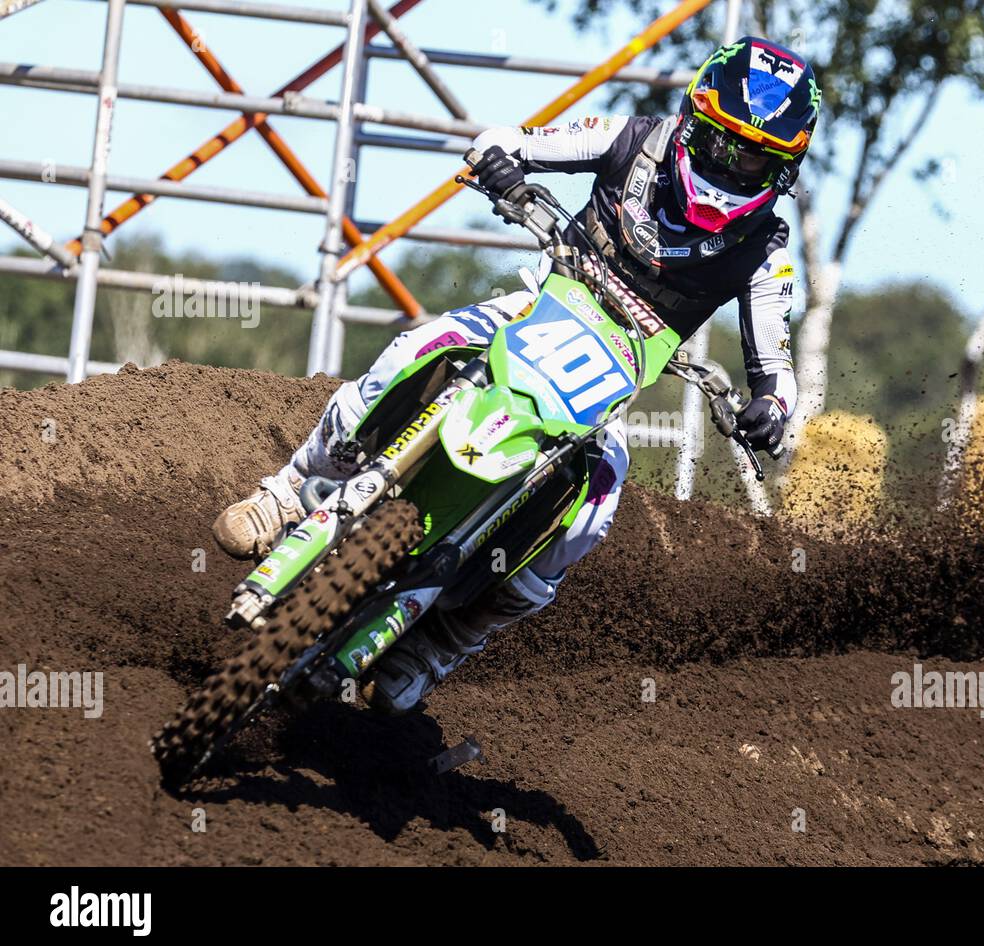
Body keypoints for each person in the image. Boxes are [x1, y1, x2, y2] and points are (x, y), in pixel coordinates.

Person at [211, 36, 820, 714]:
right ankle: (291, 491)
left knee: (594, 512)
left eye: (757, 157)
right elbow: (521, 139)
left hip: (618, 372)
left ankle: (440, 644)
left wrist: (770, 406)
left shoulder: (764, 248)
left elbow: (777, 362)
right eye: (723, 143)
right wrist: (499, 162)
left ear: (784, 167)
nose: (734, 165)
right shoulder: (631, 140)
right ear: (693, 121)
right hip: (538, 306)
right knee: (423, 344)